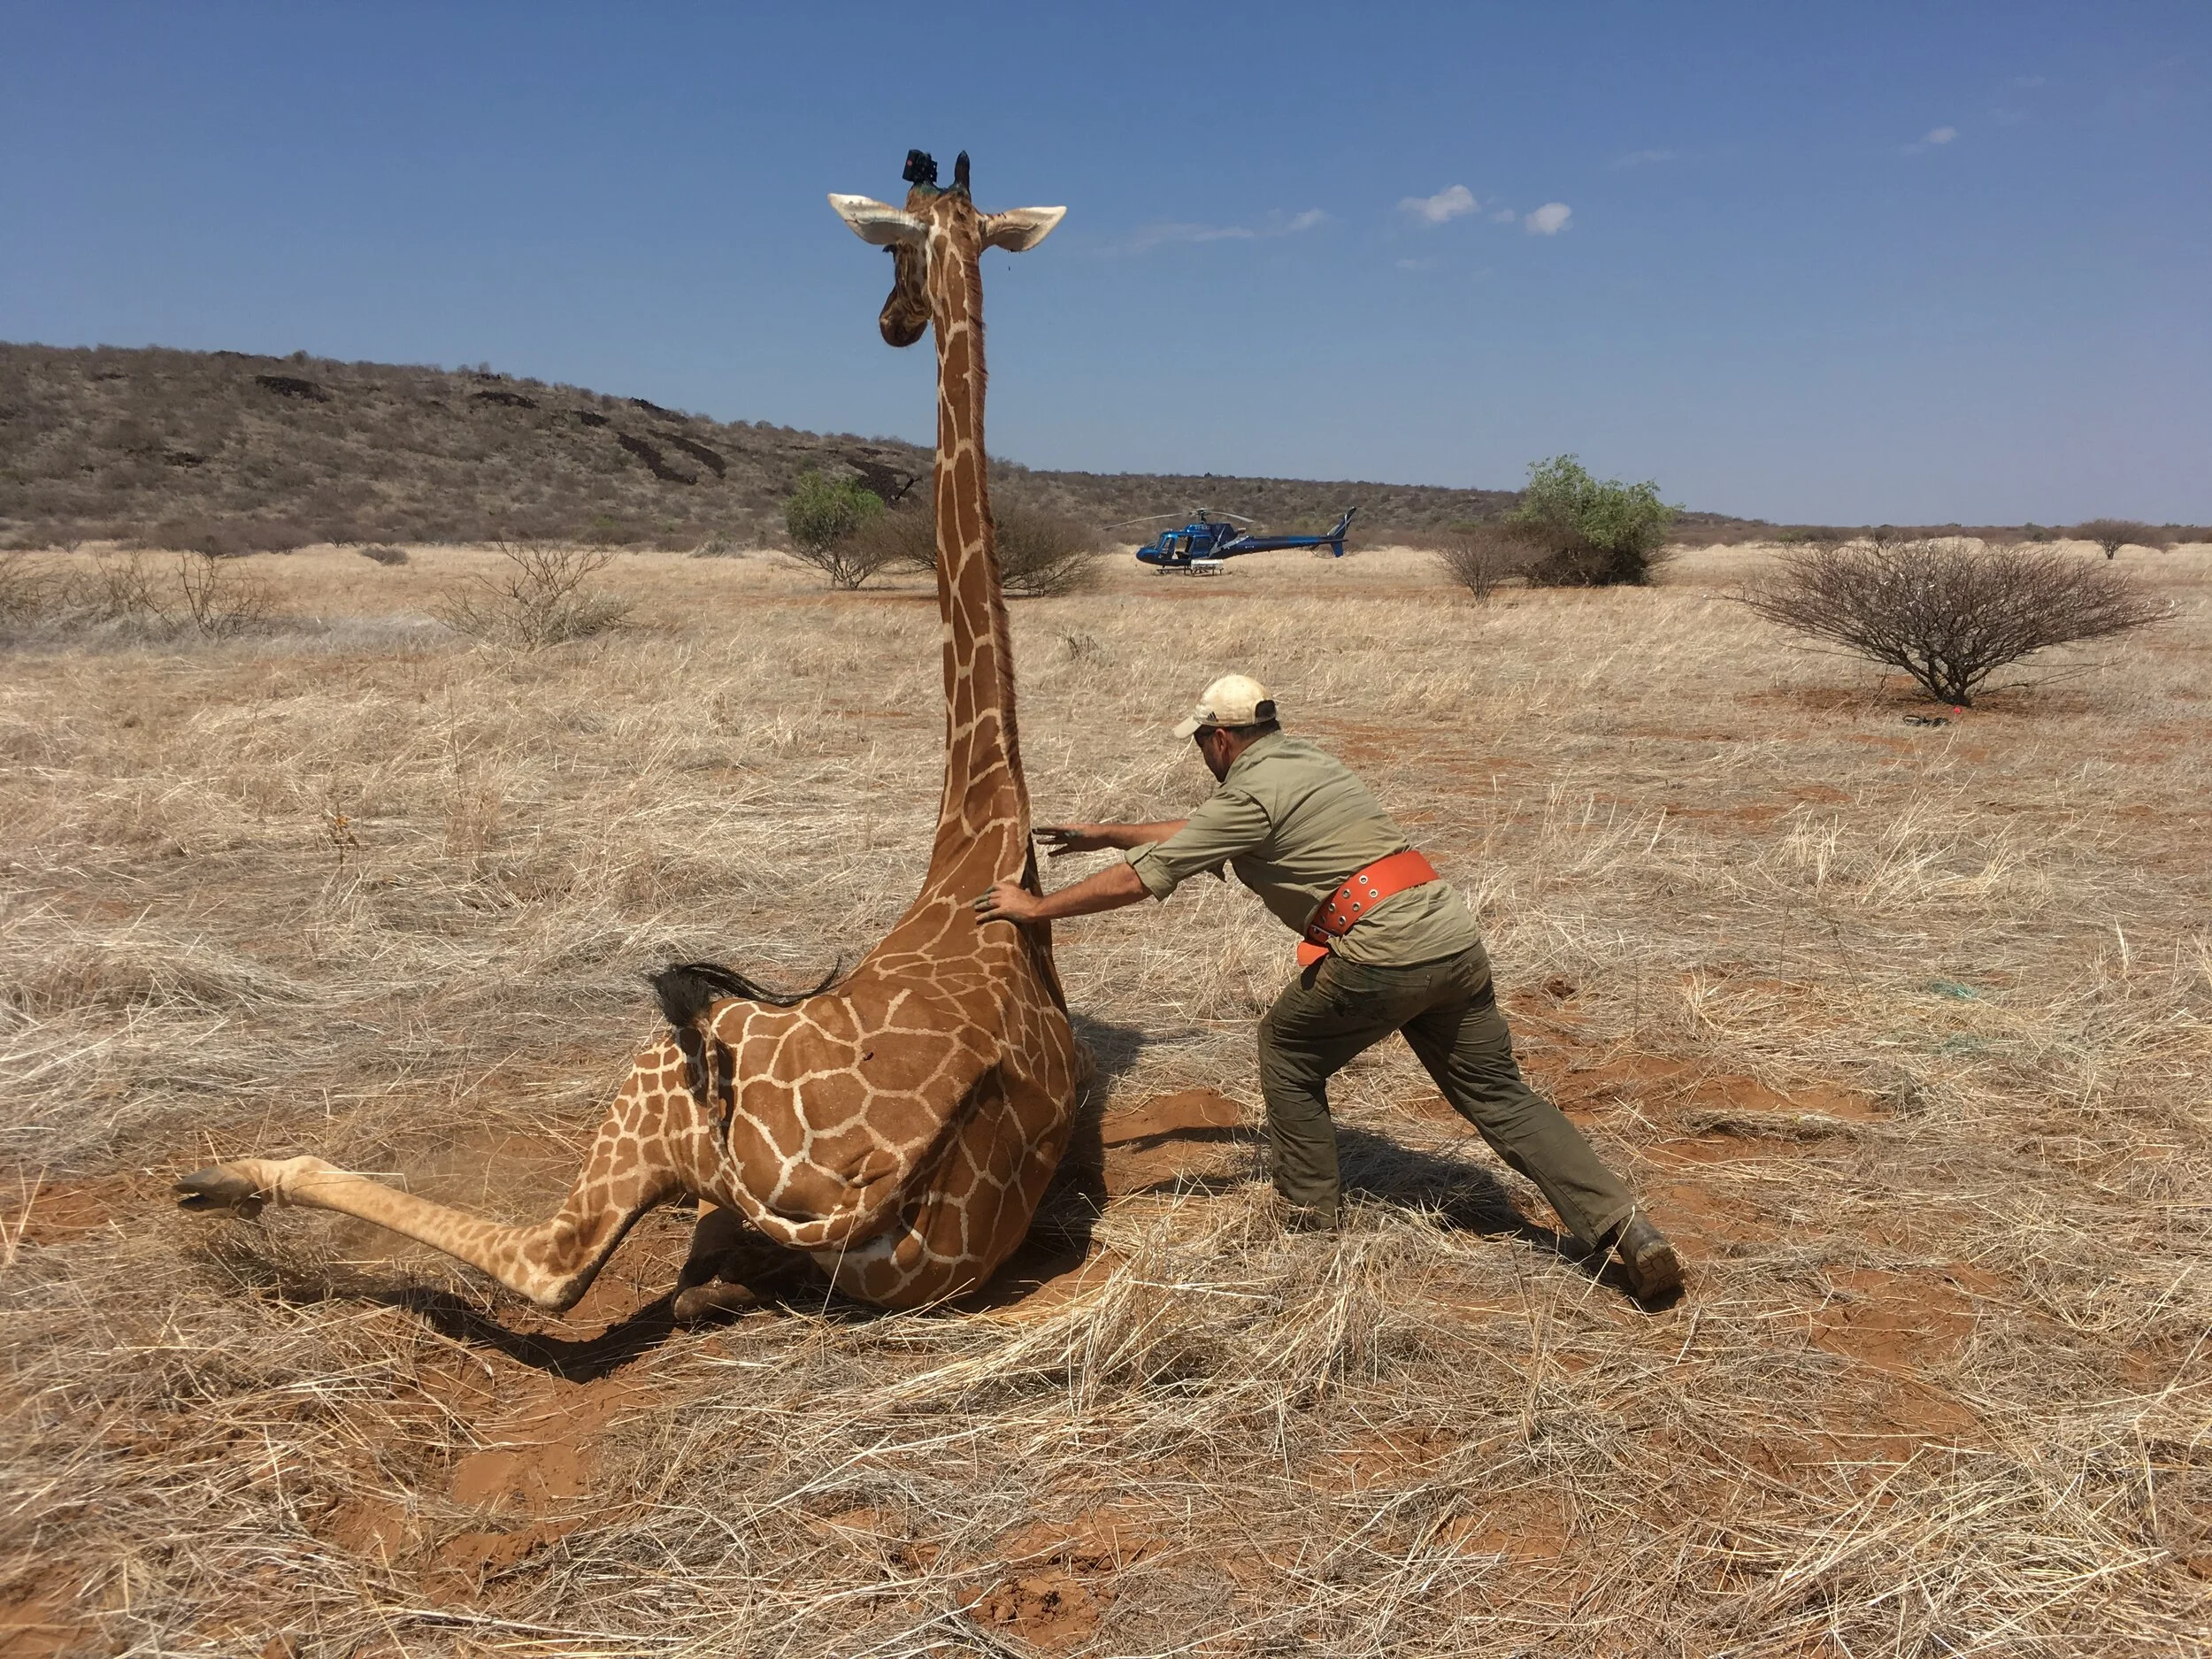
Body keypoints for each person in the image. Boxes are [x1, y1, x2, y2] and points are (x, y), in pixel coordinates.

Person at [972, 673, 1684, 1301]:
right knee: (1502, 1097)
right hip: (1451, 937)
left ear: (1221, 739)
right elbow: (1210, 828)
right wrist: (1109, 832)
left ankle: (1310, 1219)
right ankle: (1626, 1227)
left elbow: (1148, 875)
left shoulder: (1248, 790)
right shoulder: (1308, 762)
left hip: (1382, 951)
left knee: (1287, 1050)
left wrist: (1035, 908)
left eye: (1200, 742)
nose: (1201, 754)